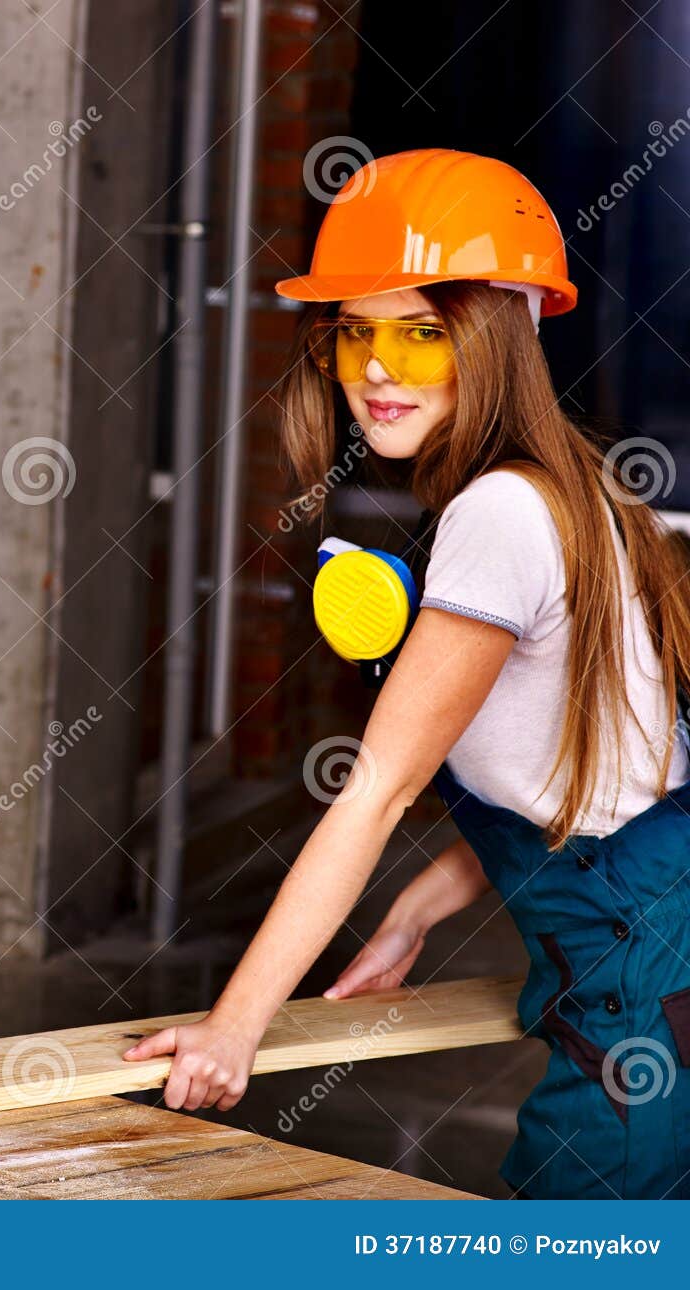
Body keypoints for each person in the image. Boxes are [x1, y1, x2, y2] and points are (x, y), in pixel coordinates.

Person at [124, 148, 690, 1199]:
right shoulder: (569, 490)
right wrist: (420, 908)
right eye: (356, 333)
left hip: (635, 977)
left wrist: (232, 1027)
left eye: (422, 333)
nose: (377, 368)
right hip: (655, 948)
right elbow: (590, 772)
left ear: (498, 341)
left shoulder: (493, 516)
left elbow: (377, 790)